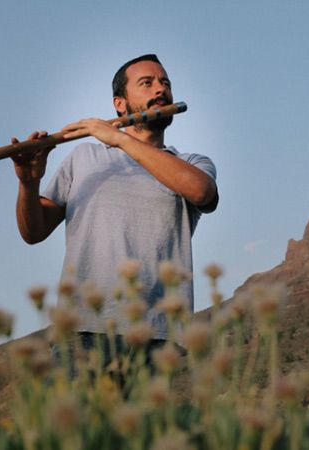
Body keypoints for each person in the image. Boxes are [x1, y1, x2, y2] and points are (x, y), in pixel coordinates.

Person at [12, 54, 218, 362]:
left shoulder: (191, 163)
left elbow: (202, 192)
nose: (159, 89)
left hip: (158, 336)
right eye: (146, 83)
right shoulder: (84, 158)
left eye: (165, 83)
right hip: (83, 331)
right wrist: (29, 183)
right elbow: (34, 232)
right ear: (119, 104)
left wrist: (119, 139)